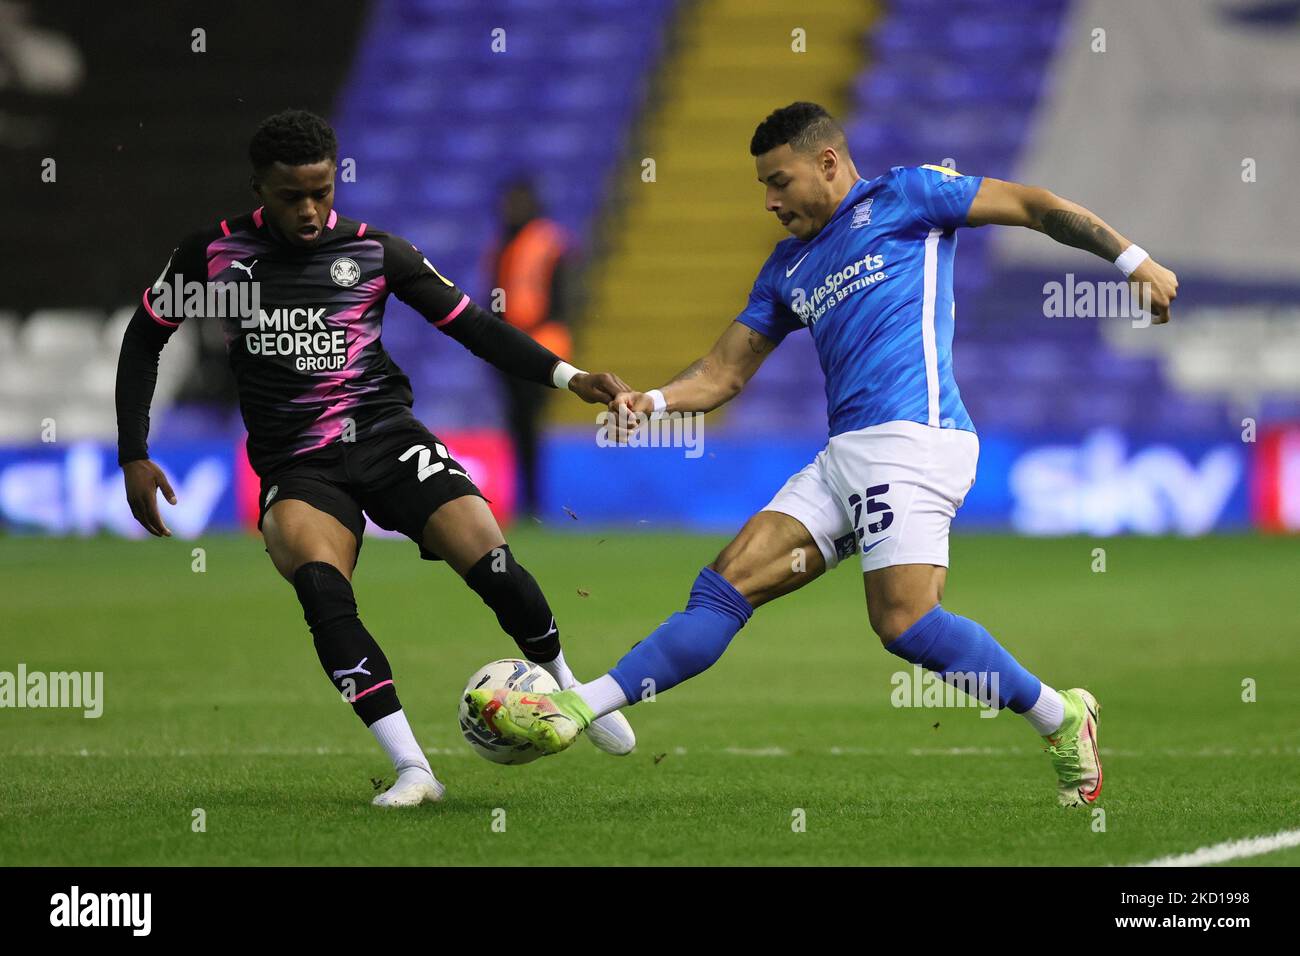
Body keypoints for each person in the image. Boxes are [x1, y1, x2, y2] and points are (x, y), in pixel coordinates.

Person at [464, 101, 1179, 808]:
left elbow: (1032, 205)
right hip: (846, 455)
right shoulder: (787, 267)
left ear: (828, 163)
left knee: (905, 624)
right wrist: (650, 403)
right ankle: (580, 708)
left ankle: (1060, 717)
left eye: (779, 182)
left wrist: (1132, 259)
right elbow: (723, 374)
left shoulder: (910, 195)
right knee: (723, 587)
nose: (771, 202)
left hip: (916, 439)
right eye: (763, 188)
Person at [115, 109, 636, 808]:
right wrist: (133, 452)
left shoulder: (375, 252)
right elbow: (146, 338)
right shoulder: (210, 255)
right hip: (299, 466)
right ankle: (415, 770)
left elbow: (477, 328)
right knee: (322, 590)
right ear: (258, 189)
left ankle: (570, 687)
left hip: (388, 438)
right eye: (290, 195)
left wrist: (573, 378)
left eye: (321, 192)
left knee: (493, 560)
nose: (308, 209)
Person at [489, 180, 574, 517]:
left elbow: (560, 297)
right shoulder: (506, 243)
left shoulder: (546, 242)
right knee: (519, 424)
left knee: (528, 424)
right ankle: (527, 500)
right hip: (510, 344)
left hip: (539, 344)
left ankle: (533, 501)